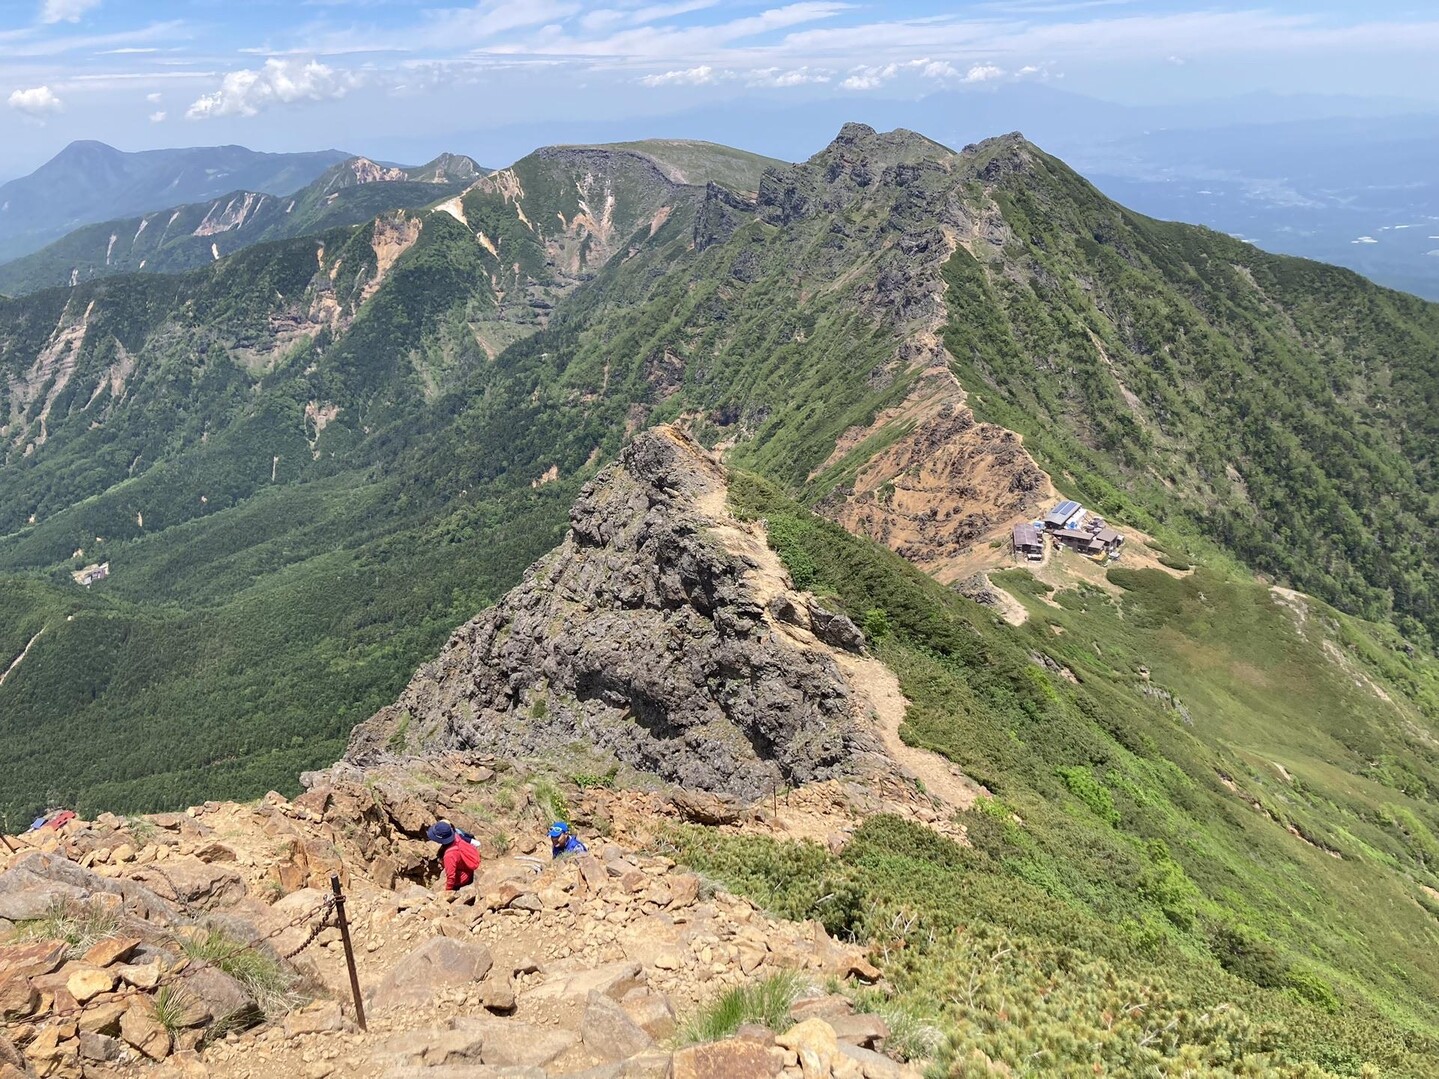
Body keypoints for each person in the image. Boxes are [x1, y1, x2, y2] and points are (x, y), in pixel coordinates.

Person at [427, 820, 480, 891]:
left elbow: (451, 877)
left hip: (462, 880)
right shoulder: (456, 837)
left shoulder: (450, 855)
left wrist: (448, 891)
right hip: (468, 871)